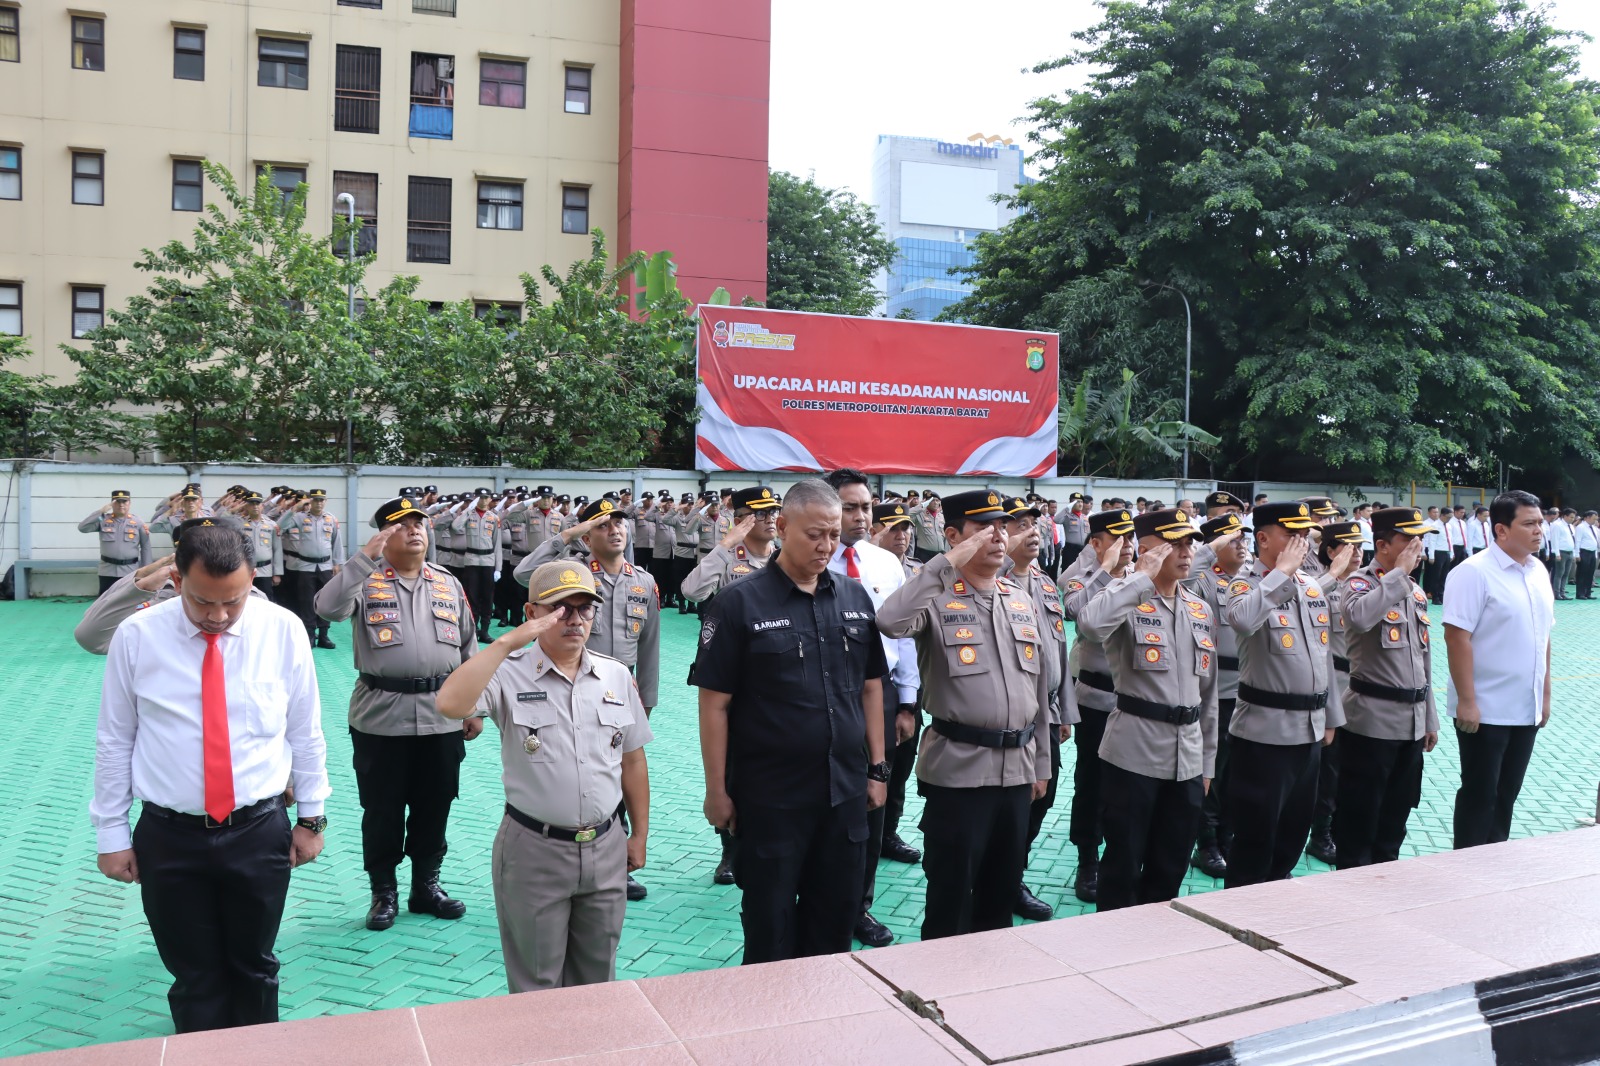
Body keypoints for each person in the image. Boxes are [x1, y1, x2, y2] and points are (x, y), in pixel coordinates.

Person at [91, 519, 330, 1033]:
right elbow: (115, 739)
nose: (218, 616)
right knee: (194, 976)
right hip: (169, 837)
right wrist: (110, 834)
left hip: (258, 829)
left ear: (252, 583)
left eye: (234, 601)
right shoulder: (138, 636)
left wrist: (312, 817)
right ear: (176, 580)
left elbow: (305, 731)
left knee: (256, 968)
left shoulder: (283, 629)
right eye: (203, 602)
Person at [693, 479, 888, 963]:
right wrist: (716, 790)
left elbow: (870, 687)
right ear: (781, 527)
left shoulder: (854, 598)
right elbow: (714, 703)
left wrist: (877, 768)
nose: (826, 547)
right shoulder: (739, 603)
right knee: (770, 924)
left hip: (843, 793)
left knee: (835, 922)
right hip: (771, 798)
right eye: (814, 535)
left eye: (833, 535)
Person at [438, 561, 651, 991]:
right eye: (560, 609)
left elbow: (632, 758)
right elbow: (450, 704)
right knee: (536, 982)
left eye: (584, 609)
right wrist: (506, 642)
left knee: (597, 979)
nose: (574, 619)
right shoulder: (508, 670)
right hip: (534, 849)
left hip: (606, 847)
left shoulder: (614, 674)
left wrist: (639, 835)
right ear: (533, 612)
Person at [877, 489, 1053, 941]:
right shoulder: (934, 595)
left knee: (998, 903)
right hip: (959, 774)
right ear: (953, 536)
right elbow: (890, 621)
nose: (998, 535)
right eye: (982, 528)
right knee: (950, 902)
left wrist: (1041, 764)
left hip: (1017, 773)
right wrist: (946, 563)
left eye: (1001, 526)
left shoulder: (1019, 598)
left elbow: (1037, 691)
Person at [315, 495, 480, 931]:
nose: (413, 530)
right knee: (383, 808)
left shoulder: (447, 582)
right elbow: (326, 609)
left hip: (441, 712)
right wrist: (362, 559)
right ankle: (382, 891)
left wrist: (475, 705)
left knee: (436, 804)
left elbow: (469, 648)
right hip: (381, 715)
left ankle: (426, 885)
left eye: (419, 523)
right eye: (401, 525)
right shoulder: (364, 581)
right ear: (384, 536)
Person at [514, 496, 662, 901]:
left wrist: (646, 699)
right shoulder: (574, 576)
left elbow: (649, 645)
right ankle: (579, 861)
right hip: (572, 690)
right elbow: (523, 574)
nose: (614, 530)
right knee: (584, 777)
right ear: (587, 533)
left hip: (621, 693)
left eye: (619, 523)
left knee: (621, 776)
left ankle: (620, 860)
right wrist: (565, 537)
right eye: (602, 525)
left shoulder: (643, 581)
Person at [1076, 508, 1216, 910]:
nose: (1186, 551)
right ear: (1148, 549)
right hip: (1133, 755)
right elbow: (1089, 625)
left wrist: (1207, 763)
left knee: (1169, 867)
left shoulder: (1199, 609)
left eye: (1189, 542)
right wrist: (1139, 577)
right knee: (1121, 868)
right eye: (1175, 543)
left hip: (1186, 759)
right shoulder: (1124, 599)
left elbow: (1206, 699)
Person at [1222, 501, 1347, 888]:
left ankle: (1276, 911)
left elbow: (1322, 653)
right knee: (1255, 841)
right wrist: (1281, 574)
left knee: (1293, 833)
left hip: (1308, 731)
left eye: (1303, 534)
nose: (1301, 542)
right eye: (1290, 534)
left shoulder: (1311, 587)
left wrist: (1330, 715)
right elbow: (1242, 620)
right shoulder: (1245, 585)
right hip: (1264, 734)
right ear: (1262, 538)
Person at [823, 468, 921, 949]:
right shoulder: (807, 562)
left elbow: (903, 642)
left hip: (878, 695)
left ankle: (859, 905)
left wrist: (906, 702)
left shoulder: (884, 563)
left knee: (873, 799)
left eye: (865, 506)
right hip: (820, 695)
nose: (861, 516)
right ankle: (818, 897)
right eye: (850, 507)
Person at [1443, 490, 1554, 850]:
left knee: (1506, 795)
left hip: (1525, 706)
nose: (1539, 530)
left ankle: (1495, 863)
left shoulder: (1538, 571)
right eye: (1529, 524)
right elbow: (1457, 639)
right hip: (1486, 709)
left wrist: (1545, 696)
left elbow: (1544, 636)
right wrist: (1467, 702)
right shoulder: (1472, 573)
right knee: (1480, 793)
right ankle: (1468, 866)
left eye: (1540, 523)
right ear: (1502, 530)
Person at [1334, 507, 1438, 868]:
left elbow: (1424, 661)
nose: (1417, 546)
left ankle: (1385, 884)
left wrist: (1431, 718)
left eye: (1420, 539)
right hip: (1372, 722)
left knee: (1395, 818)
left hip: (1411, 722)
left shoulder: (1414, 590)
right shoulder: (1360, 583)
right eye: (1408, 539)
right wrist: (1396, 576)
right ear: (1382, 544)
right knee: (1359, 819)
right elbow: (1359, 618)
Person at [1000, 496, 1074, 922]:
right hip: (1009, 713)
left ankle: (1014, 874)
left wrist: (1064, 709)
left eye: (1035, 523)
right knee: (1009, 803)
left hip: (1045, 713)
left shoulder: (1046, 582)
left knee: (1040, 800)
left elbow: (1059, 648)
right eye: (1019, 525)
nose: (1033, 532)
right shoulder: (984, 580)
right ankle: (999, 878)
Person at [1058, 506, 1137, 902]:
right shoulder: (1078, 576)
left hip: (1134, 701)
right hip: (1095, 698)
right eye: (1119, 539)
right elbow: (1077, 612)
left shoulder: (1143, 578)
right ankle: (1087, 857)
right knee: (1091, 782)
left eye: (1131, 538)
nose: (1128, 546)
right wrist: (1105, 571)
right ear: (1097, 542)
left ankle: (1119, 853)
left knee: (1127, 784)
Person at [1186, 512, 1251, 879]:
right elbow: (1186, 576)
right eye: (1233, 539)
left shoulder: (1246, 581)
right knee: (1212, 768)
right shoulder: (1203, 581)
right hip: (1216, 694)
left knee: (1234, 773)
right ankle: (1206, 842)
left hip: (1245, 692)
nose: (1242, 545)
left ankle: (1226, 836)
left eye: (1244, 539)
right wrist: (1207, 551)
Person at [1305, 519, 1366, 867]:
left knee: (1348, 768)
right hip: (1332, 686)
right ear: (1330, 551)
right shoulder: (1317, 589)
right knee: (1327, 771)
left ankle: (1337, 828)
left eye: (1360, 547)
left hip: (1358, 689)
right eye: (1349, 546)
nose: (1357, 554)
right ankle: (1320, 833)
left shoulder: (1362, 587)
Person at [870, 501, 926, 868]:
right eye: (893, 528)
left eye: (905, 528)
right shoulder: (856, 568)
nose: (901, 535)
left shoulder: (920, 573)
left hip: (907, 681)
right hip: (868, 683)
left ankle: (889, 830)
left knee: (901, 760)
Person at [278, 488, 342, 649]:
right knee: (307, 601)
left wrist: (337, 563)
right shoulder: (299, 518)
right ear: (310, 501)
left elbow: (337, 542)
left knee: (325, 600)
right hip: (306, 566)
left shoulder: (331, 519)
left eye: (322, 500)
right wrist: (295, 508)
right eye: (315, 500)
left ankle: (324, 635)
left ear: (325, 502)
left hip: (326, 566)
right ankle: (310, 635)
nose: (319, 503)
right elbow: (280, 526)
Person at [451, 488, 502, 644]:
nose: (484, 500)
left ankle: (485, 631)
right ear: (475, 499)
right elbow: (455, 526)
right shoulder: (468, 515)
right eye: (481, 498)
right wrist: (468, 509)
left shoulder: (493, 518)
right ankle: (472, 630)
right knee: (471, 597)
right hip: (472, 560)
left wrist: (498, 568)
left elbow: (497, 544)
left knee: (487, 597)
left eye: (487, 498)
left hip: (488, 561)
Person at [80, 489, 152, 597]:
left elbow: (146, 547)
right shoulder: (102, 519)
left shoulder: (138, 522)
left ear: (129, 503)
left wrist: (146, 570)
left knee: (128, 602)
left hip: (130, 571)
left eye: (124, 501)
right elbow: (82, 528)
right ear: (112, 503)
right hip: (107, 571)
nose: (121, 505)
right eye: (117, 502)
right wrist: (101, 511)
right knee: (104, 603)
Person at [239, 491, 282, 602]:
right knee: (245, 599)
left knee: (266, 600)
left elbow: (277, 550)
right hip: (246, 568)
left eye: (257, 503)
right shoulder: (239, 524)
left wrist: (277, 573)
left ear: (262, 506)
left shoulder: (271, 525)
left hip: (265, 570)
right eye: (251, 504)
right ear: (247, 506)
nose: (255, 506)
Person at [1548, 507, 1577, 600]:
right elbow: (1555, 540)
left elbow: (1573, 540)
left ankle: (1562, 592)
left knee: (1566, 574)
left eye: (1573, 517)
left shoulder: (1571, 526)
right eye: (1571, 517)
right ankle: (1556, 593)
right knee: (1559, 574)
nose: (1573, 519)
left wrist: (1574, 553)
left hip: (1569, 552)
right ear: (1565, 516)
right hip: (1561, 552)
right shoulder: (1557, 525)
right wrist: (1557, 553)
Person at [908, 491, 945, 562]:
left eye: (937, 500)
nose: (935, 502)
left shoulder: (941, 516)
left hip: (939, 554)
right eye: (932, 500)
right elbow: (907, 514)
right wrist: (921, 506)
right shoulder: (920, 514)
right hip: (924, 553)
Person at [1576, 511, 1599, 600]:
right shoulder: (1581, 527)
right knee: (1582, 573)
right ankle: (1580, 593)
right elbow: (1577, 541)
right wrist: (1577, 554)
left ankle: (1588, 592)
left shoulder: (1593, 528)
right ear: (1587, 518)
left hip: (1592, 552)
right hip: (1584, 552)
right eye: (1594, 519)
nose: (1595, 521)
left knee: (1590, 573)